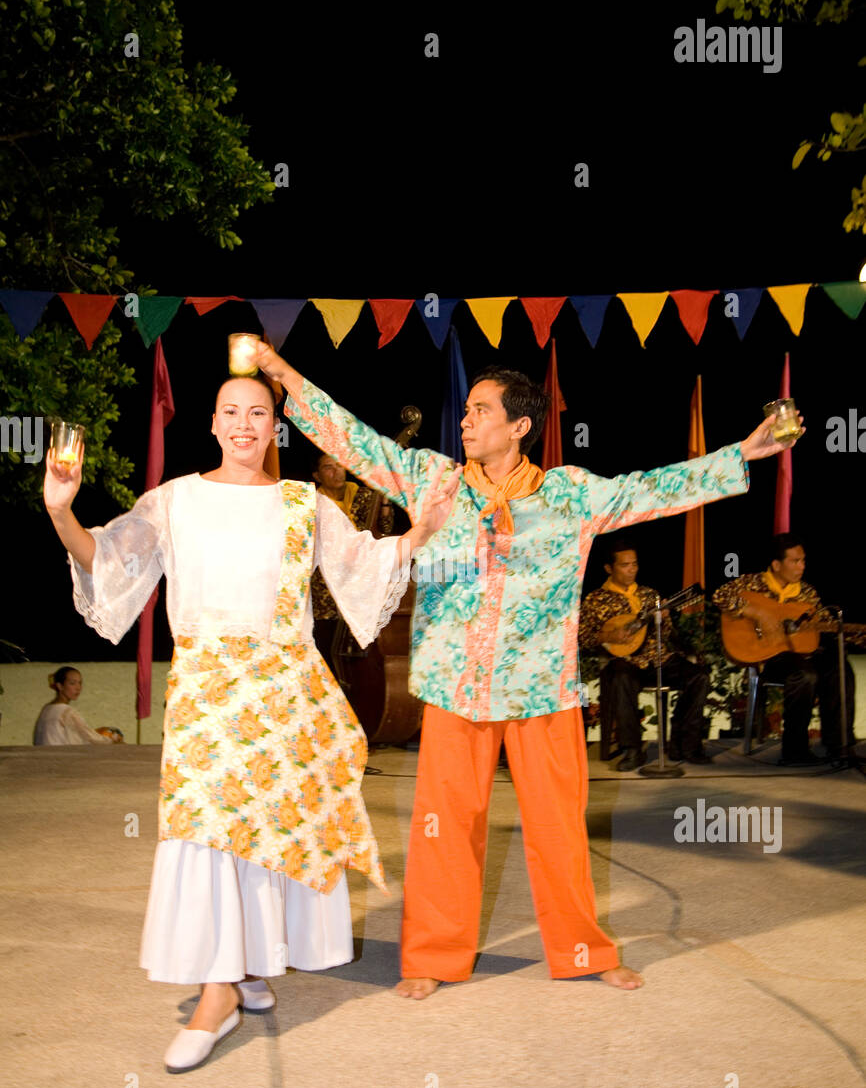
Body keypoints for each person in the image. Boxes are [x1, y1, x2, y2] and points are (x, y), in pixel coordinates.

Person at [259, 342, 800, 998]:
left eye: (480, 411)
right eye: (465, 410)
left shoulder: (569, 495)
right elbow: (361, 445)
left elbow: (652, 490)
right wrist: (289, 379)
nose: (464, 421)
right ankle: (433, 955)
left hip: (543, 687)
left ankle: (583, 950)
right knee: (443, 829)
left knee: (559, 828)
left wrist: (741, 454)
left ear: (519, 426)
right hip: (455, 686)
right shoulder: (436, 481)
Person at [43, 372, 459, 1072]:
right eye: (231, 412)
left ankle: (248, 965)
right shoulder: (174, 500)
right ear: (212, 423)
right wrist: (61, 512)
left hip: (285, 692)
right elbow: (107, 561)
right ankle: (217, 992)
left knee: (267, 833)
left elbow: (365, 561)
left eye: (258, 413)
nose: (244, 424)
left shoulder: (304, 503)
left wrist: (423, 529)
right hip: (207, 691)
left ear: (274, 427)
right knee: (204, 831)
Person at [713, 533, 855, 764]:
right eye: (795, 561)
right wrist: (756, 612)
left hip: (799, 653)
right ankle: (794, 750)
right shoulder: (752, 583)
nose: (802, 566)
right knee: (804, 675)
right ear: (776, 564)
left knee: (838, 666)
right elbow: (720, 595)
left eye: (803, 560)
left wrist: (834, 627)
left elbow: (817, 625)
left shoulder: (807, 593)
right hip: (769, 657)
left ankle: (840, 744)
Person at [579, 538, 710, 769]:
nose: (632, 570)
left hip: (658, 659)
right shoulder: (595, 599)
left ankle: (684, 743)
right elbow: (583, 637)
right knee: (621, 678)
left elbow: (666, 635)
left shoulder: (650, 596)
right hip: (623, 661)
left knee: (699, 676)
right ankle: (632, 750)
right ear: (609, 568)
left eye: (635, 564)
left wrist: (664, 621)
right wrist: (608, 637)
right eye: (625, 565)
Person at [310, 451, 394, 677]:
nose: (336, 471)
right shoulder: (312, 504)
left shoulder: (365, 496)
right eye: (328, 467)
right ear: (317, 475)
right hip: (325, 591)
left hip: (362, 584)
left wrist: (384, 499)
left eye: (339, 465)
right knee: (327, 644)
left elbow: (384, 529)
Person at [33, 666, 123, 745]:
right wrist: (113, 740)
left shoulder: (47, 708)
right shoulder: (67, 712)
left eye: (80, 683)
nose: (78, 688)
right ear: (60, 686)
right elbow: (90, 737)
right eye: (72, 683)